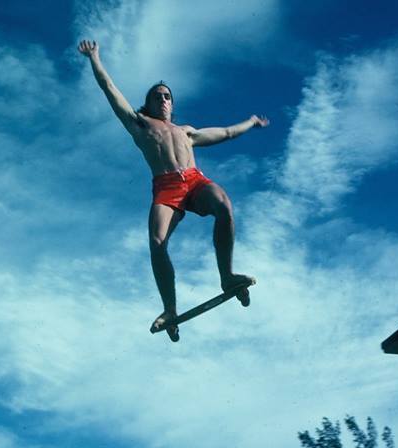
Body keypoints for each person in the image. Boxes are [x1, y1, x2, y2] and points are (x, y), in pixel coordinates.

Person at [78, 39, 269, 342]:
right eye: (158, 96)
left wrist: (251, 122)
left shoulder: (186, 132)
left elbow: (228, 133)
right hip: (166, 188)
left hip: (194, 180)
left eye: (168, 96)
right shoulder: (140, 124)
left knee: (224, 205)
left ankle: (227, 276)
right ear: (149, 103)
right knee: (156, 242)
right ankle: (169, 309)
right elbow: (109, 89)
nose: (164, 99)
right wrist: (95, 58)